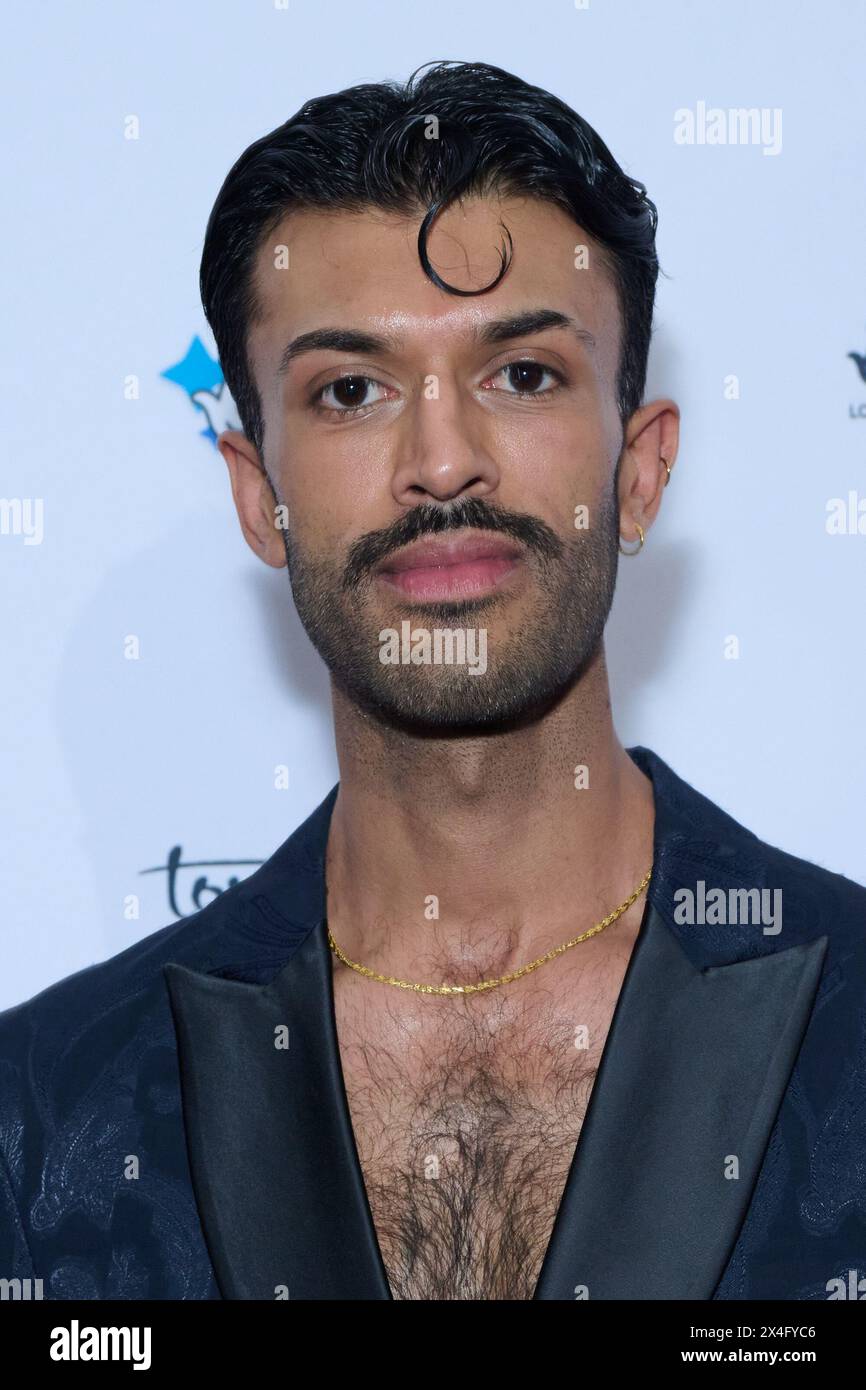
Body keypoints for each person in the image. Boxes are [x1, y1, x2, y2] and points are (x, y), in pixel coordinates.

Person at [1, 60, 864, 1302]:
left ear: (639, 470)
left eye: (521, 374)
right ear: (258, 496)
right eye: (349, 391)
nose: (442, 461)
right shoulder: (42, 1119)